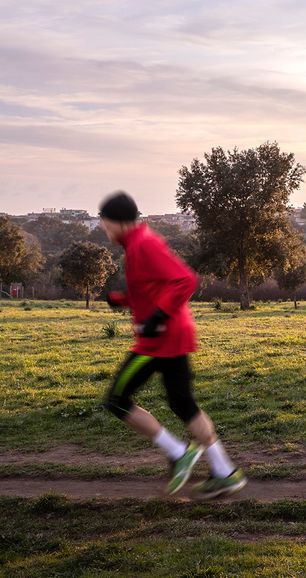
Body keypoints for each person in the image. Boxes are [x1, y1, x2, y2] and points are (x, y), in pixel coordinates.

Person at [98, 191, 246, 499]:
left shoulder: (144, 245)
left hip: (157, 342)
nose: (103, 228)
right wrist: (123, 300)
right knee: (183, 403)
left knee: (117, 399)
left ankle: (178, 451)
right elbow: (155, 288)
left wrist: (158, 316)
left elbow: (185, 280)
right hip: (173, 336)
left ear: (117, 222)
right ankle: (224, 472)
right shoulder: (137, 244)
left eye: (104, 222)